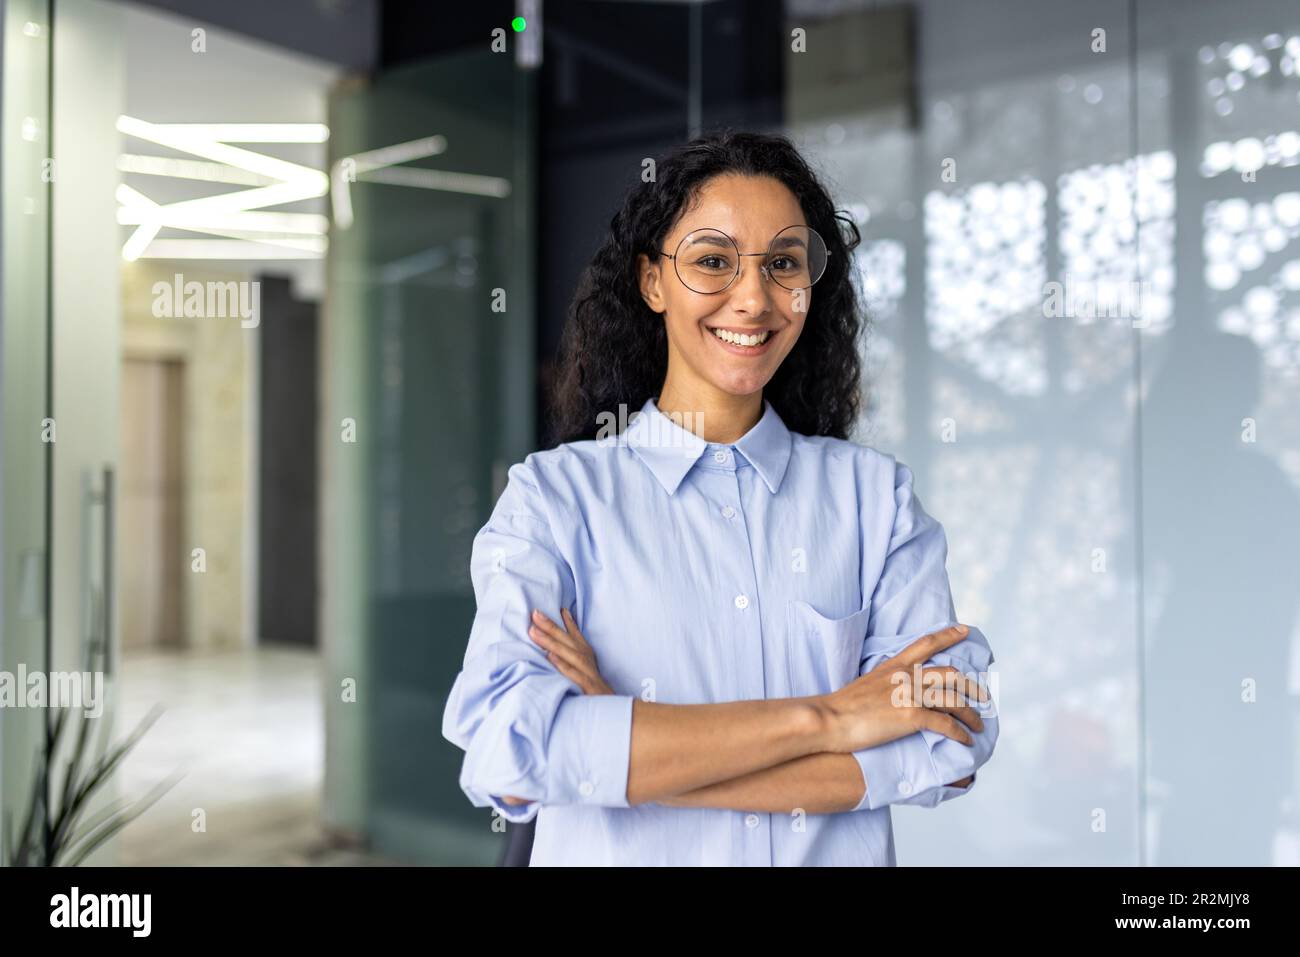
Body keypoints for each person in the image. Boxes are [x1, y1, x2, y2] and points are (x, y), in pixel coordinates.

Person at [442, 129, 998, 866]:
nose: (754, 298)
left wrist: (629, 744)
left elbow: (948, 739)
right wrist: (832, 718)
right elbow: (508, 747)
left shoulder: (876, 501)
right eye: (712, 261)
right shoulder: (553, 502)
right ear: (652, 280)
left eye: (784, 264)